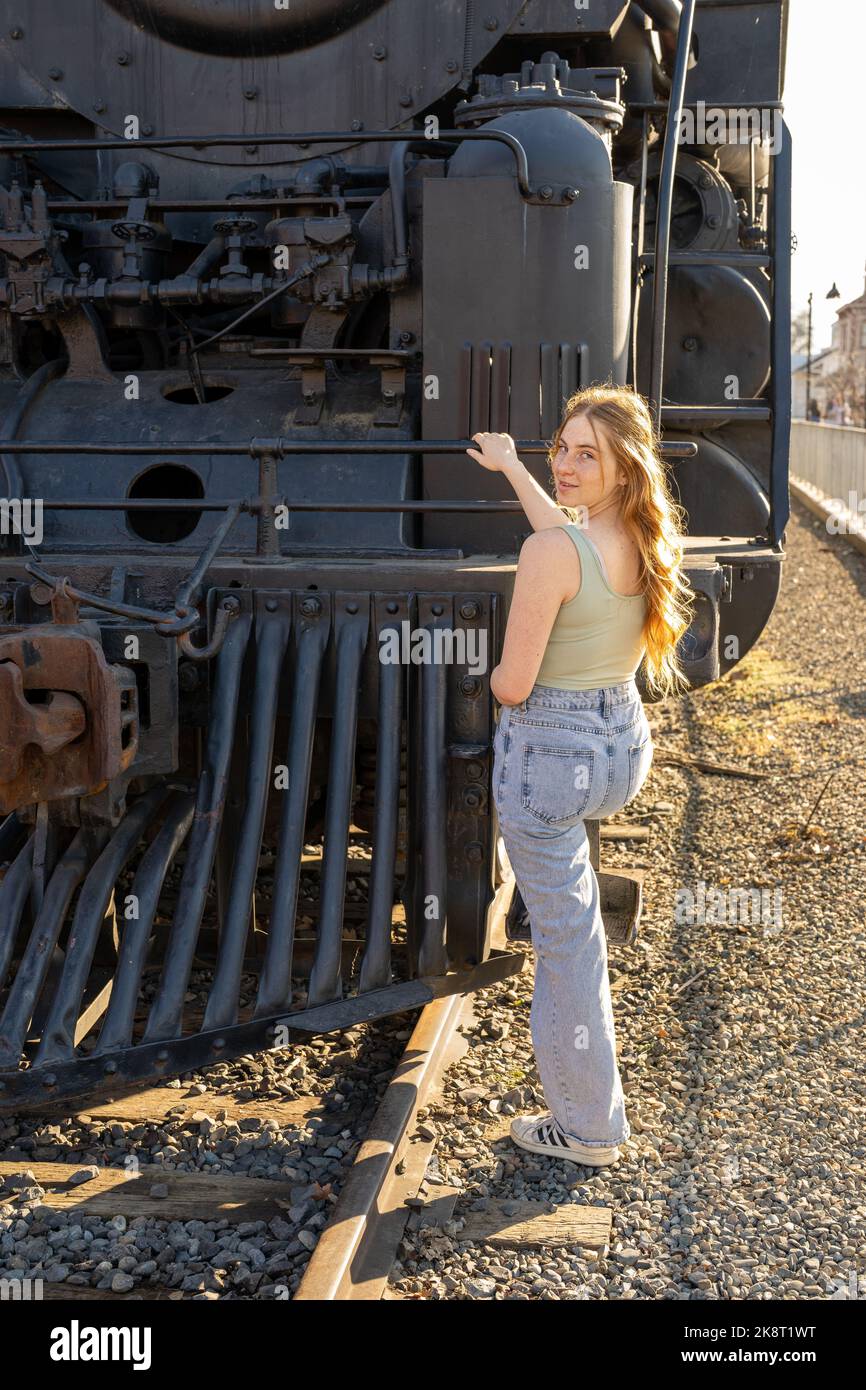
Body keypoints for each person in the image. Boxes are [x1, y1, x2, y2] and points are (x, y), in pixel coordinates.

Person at [466, 385, 693, 1168]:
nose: (563, 463)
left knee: (568, 944)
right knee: (575, 925)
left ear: (622, 467)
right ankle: (589, 1111)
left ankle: (590, 1127)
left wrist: (485, 675)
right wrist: (510, 469)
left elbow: (513, 685)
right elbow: (569, 543)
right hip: (619, 751)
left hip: (550, 764)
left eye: (585, 453)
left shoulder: (548, 556)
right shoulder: (642, 536)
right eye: (560, 447)